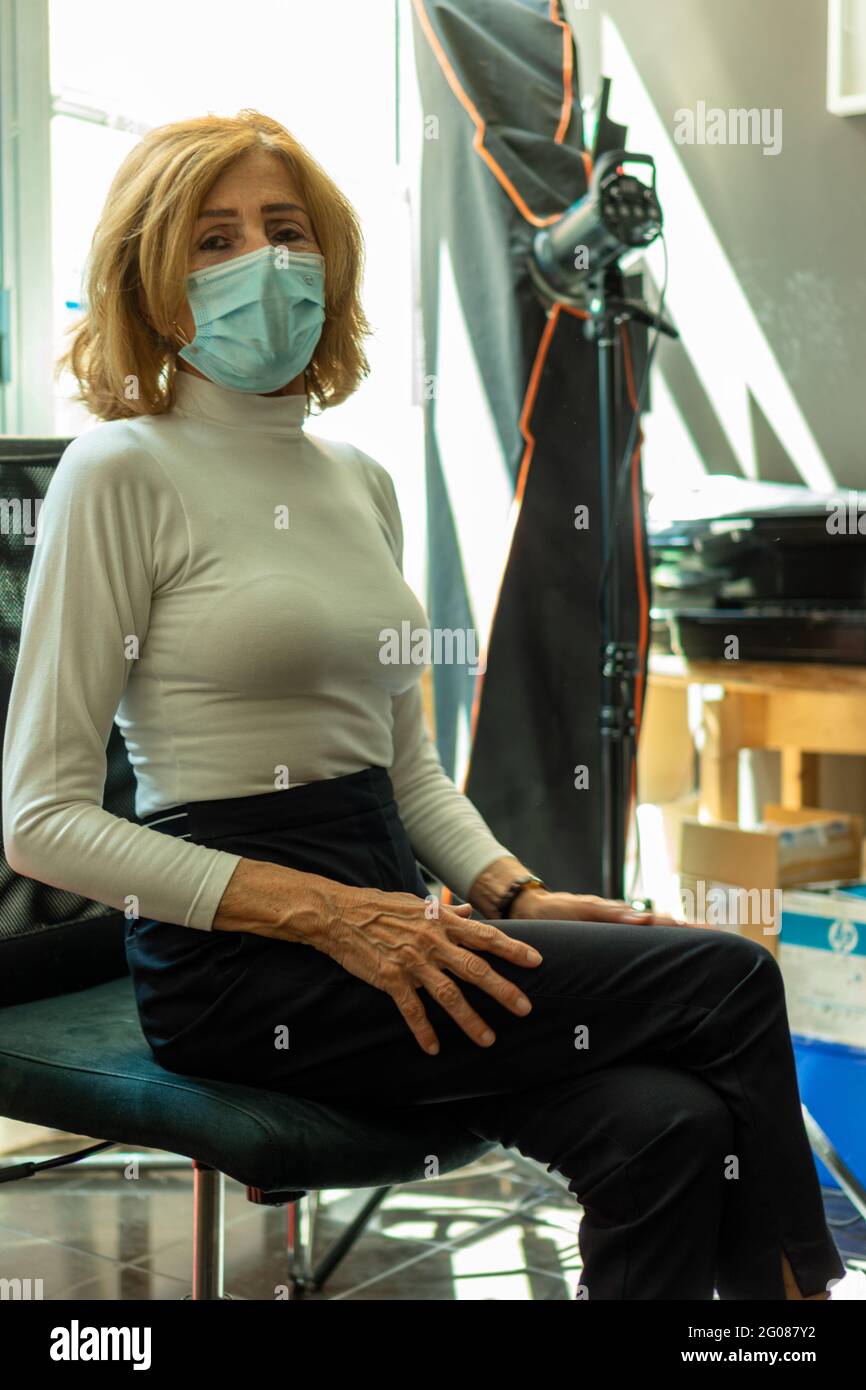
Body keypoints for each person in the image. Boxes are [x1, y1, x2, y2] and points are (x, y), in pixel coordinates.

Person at [1, 109, 845, 1301]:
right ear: (153, 271)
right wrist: (329, 915)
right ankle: (792, 1315)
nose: (264, 262)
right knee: (726, 978)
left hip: (393, 914)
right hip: (242, 961)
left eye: (285, 230)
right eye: (215, 238)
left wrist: (513, 891)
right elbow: (39, 822)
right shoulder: (118, 472)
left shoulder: (361, 480)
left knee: (658, 1120)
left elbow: (407, 776)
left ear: (329, 258)